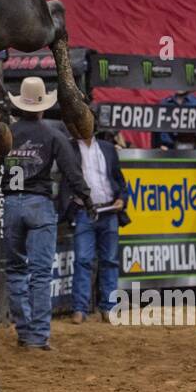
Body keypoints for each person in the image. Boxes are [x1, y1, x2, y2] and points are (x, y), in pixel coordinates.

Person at [0, 77, 91, 350]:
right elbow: (72, 171)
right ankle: (38, 335)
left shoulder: (7, 133)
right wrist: (86, 198)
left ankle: (25, 331)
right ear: (41, 106)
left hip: (11, 203)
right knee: (40, 272)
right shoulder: (52, 135)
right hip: (39, 204)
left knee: (15, 269)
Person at [66, 120, 128, 323]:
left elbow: (119, 180)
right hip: (85, 210)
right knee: (84, 260)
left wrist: (122, 198)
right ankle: (80, 308)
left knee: (108, 260)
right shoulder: (70, 148)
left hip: (109, 209)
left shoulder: (108, 148)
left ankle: (107, 307)